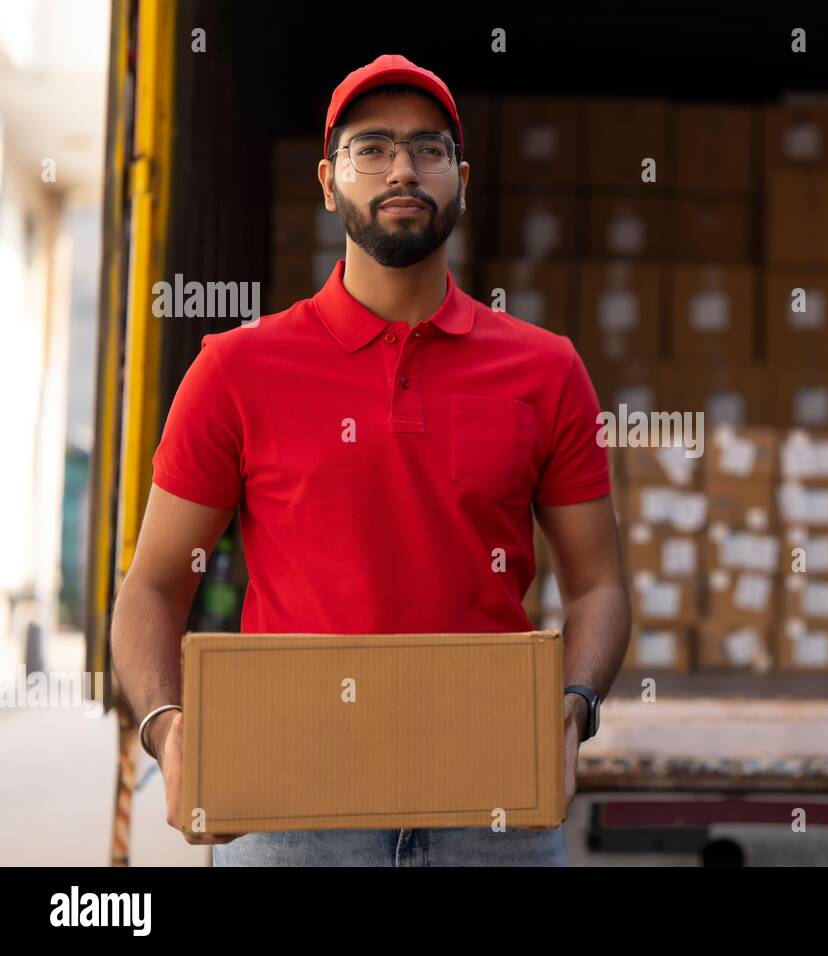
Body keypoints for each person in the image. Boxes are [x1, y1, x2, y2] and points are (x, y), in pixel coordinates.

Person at [109, 54, 630, 867]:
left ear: (461, 178)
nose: (402, 170)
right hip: (290, 813)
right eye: (371, 148)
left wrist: (573, 707)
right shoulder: (235, 370)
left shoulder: (546, 369)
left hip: (493, 812)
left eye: (428, 151)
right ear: (327, 180)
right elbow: (150, 585)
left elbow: (598, 584)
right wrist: (167, 729)